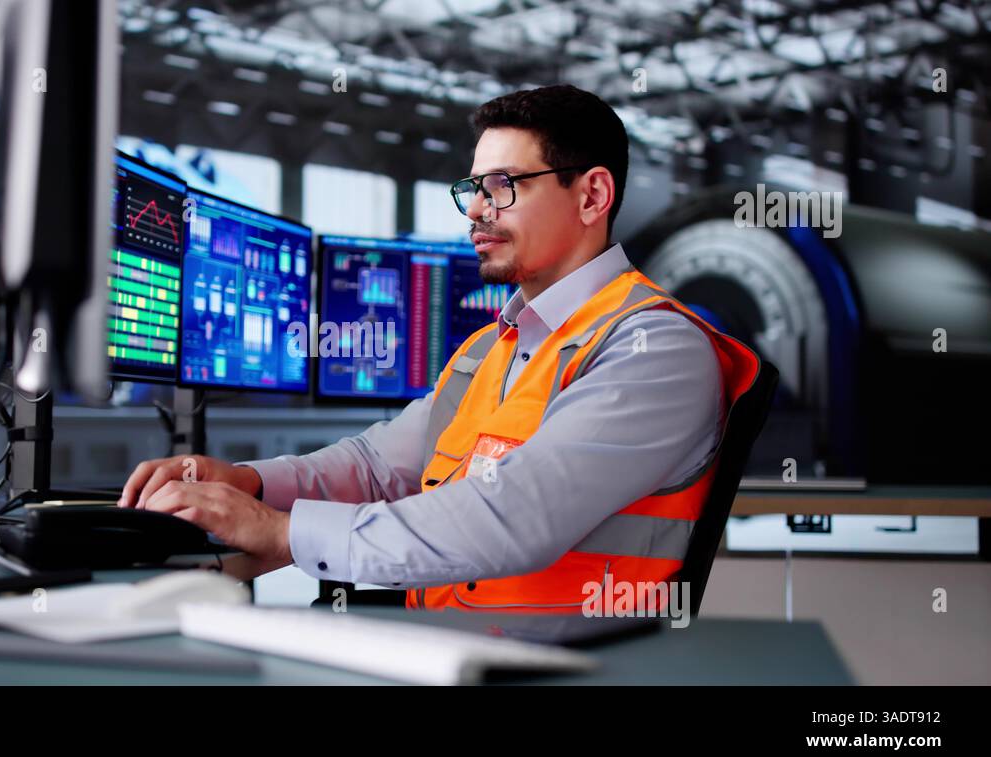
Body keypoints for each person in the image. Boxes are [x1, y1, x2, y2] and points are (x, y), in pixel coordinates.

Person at [119, 84, 759, 612]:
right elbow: (377, 467)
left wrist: (284, 534)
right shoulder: (492, 349)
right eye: (473, 188)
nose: (476, 210)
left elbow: (512, 518)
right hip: (453, 646)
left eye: (503, 185)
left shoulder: (653, 348)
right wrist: (252, 481)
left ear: (592, 195)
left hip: (577, 667)